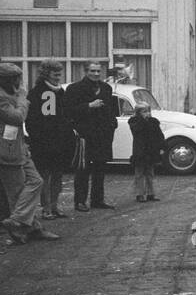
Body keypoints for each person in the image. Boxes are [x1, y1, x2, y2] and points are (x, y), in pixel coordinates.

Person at [0, 62, 60, 244]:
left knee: (36, 181)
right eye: (17, 78)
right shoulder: (3, 98)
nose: (20, 82)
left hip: (19, 147)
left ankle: (18, 221)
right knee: (17, 192)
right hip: (7, 150)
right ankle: (28, 228)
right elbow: (17, 117)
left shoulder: (12, 94)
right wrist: (22, 99)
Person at [65, 62, 117, 211]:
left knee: (100, 168)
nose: (96, 74)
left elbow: (110, 110)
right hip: (84, 135)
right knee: (83, 169)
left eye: (98, 71)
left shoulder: (106, 88)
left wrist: (112, 125)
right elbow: (68, 111)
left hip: (102, 135)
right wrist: (89, 106)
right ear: (86, 71)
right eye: (92, 71)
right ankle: (80, 201)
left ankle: (98, 200)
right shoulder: (74, 89)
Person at [26, 59, 75, 219]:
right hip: (44, 142)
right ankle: (46, 208)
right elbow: (32, 120)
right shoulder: (37, 92)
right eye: (55, 74)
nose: (58, 77)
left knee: (58, 174)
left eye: (59, 74)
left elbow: (65, 115)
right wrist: (38, 138)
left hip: (60, 141)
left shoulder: (61, 92)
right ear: (46, 74)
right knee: (45, 175)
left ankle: (54, 205)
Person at [128, 102, 164, 203]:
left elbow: (159, 135)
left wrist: (161, 146)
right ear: (138, 113)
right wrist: (142, 120)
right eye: (144, 112)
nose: (147, 113)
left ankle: (150, 193)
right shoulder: (134, 121)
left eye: (148, 111)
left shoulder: (153, 122)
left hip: (151, 150)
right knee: (139, 173)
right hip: (140, 150)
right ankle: (139, 194)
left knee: (150, 173)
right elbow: (137, 131)